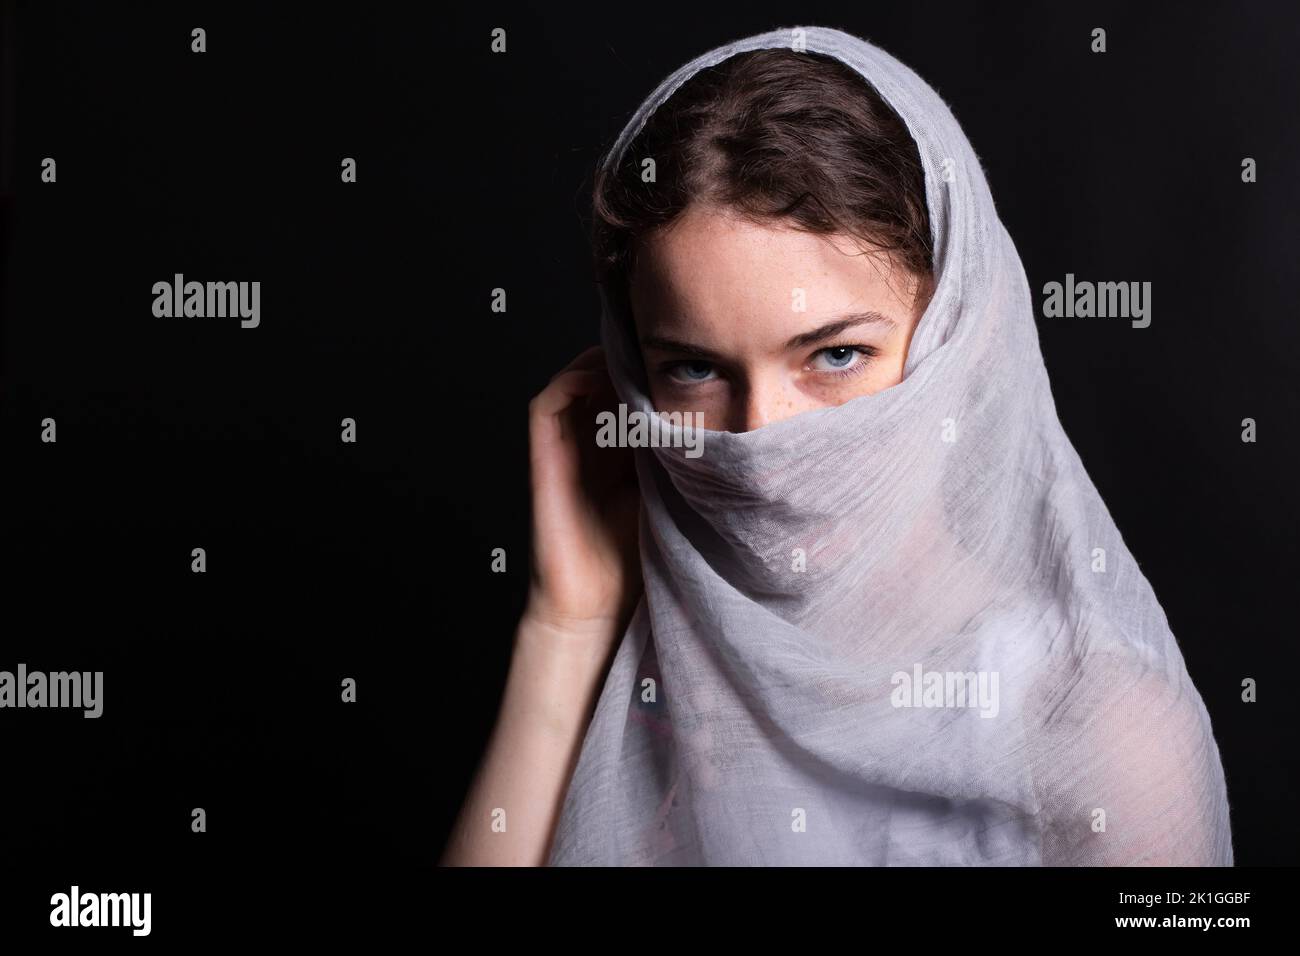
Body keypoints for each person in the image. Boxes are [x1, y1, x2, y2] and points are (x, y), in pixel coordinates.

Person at [441, 25, 1234, 866]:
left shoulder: (1096, 725)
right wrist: (567, 629)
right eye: (696, 369)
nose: (762, 442)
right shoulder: (633, 677)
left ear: (956, 344)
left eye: (836, 355)